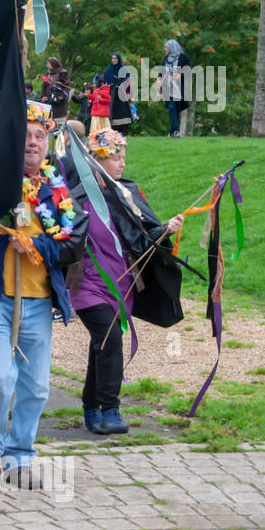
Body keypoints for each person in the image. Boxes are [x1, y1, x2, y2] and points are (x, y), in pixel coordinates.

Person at [0, 102, 88, 477]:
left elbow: (72, 244)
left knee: (36, 388)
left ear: (48, 144)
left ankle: (19, 456)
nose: (31, 142)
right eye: (25, 135)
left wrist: (33, 245)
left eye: (39, 136)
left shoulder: (59, 189)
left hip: (37, 301)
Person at [67, 130, 185, 434]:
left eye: (122, 157)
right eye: (115, 158)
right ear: (96, 160)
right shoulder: (74, 198)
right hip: (86, 287)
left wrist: (165, 230)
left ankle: (91, 407)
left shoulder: (125, 194)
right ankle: (111, 408)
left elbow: (141, 237)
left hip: (122, 287)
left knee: (102, 344)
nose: (122, 164)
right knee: (110, 337)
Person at [162, 39, 192, 137]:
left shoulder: (182, 58)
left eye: (166, 47)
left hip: (178, 88)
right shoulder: (165, 59)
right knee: (171, 107)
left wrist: (180, 75)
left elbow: (188, 70)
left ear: (172, 47)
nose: (165, 49)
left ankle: (173, 131)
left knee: (175, 109)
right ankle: (175, 131)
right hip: (167, 87)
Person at [100, 52, 132, 136]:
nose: (114, 60)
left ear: (118, 59)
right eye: (112, 58)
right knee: (113, 112)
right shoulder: (107, 70)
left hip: (122, 94)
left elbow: (128, 83)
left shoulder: (123, 69)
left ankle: (125, 132)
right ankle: (113, 132)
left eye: (115, 58)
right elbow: (104, 84)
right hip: (112, 94)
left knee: (124, 112)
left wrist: (130, 95)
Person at [41, 56, 71, 120]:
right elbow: (44, 86)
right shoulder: (48, 73)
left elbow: (65, 87)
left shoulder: (62, 73)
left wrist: (62, 96)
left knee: (57, 121)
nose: (47, 65)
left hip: (58, 102)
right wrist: (44, 96)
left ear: (53, 64)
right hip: (48, 101)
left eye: (48, 63)